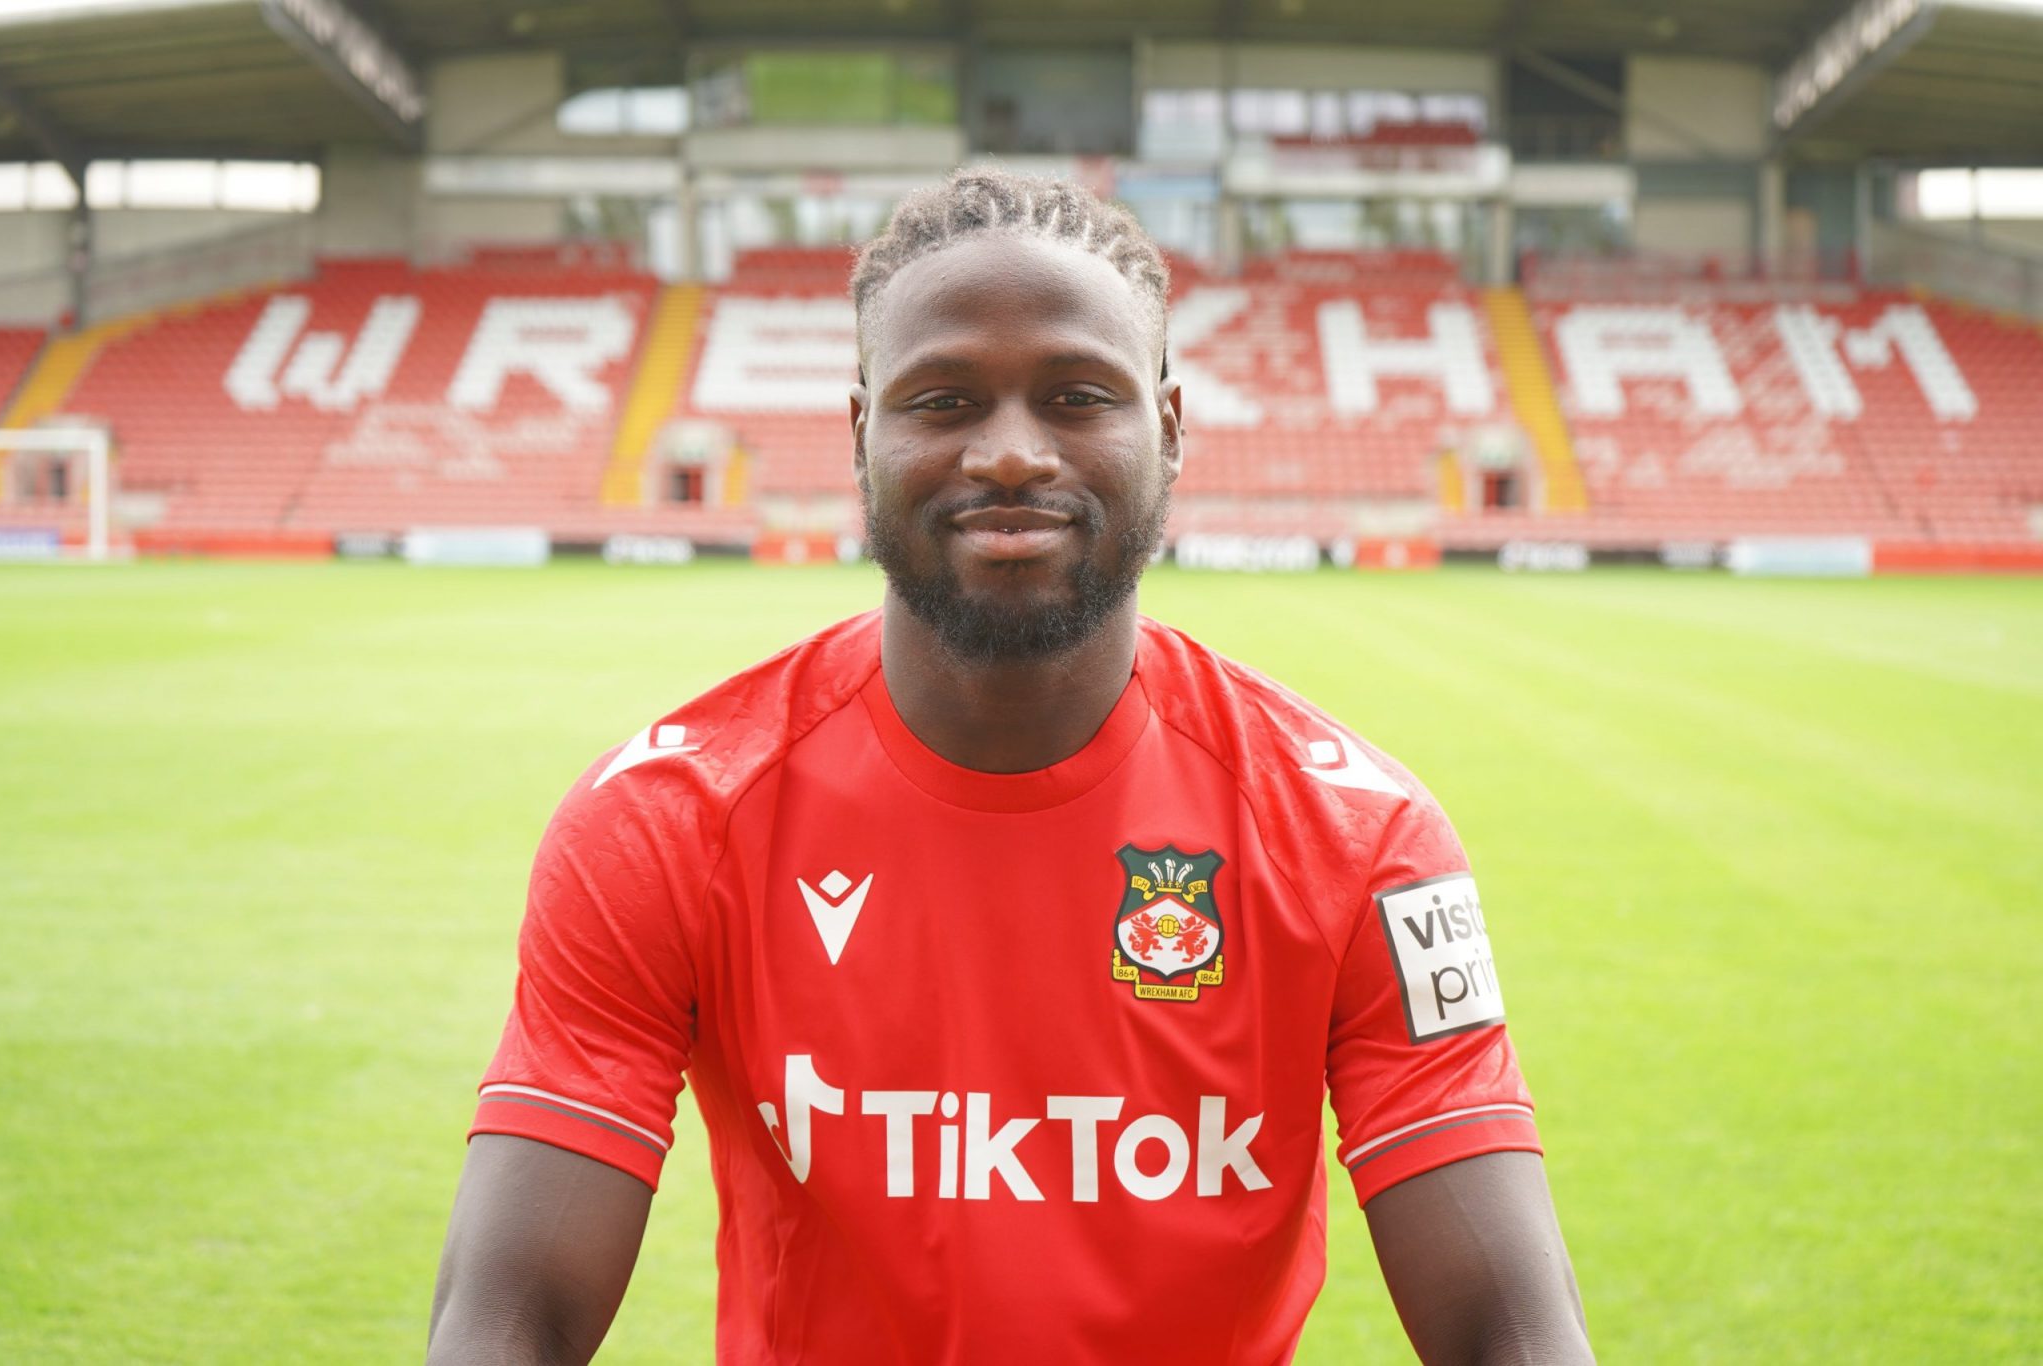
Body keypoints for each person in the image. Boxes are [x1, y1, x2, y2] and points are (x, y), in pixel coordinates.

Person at [428, 170, 1591, 1365]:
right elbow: (513, 1318)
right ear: (859, 432)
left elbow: (1505, 1328)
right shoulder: (666, 818)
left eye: (1077, 396)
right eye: (943, 399)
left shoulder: (1363, 840)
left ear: (1171, 429)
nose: (1010, 455)